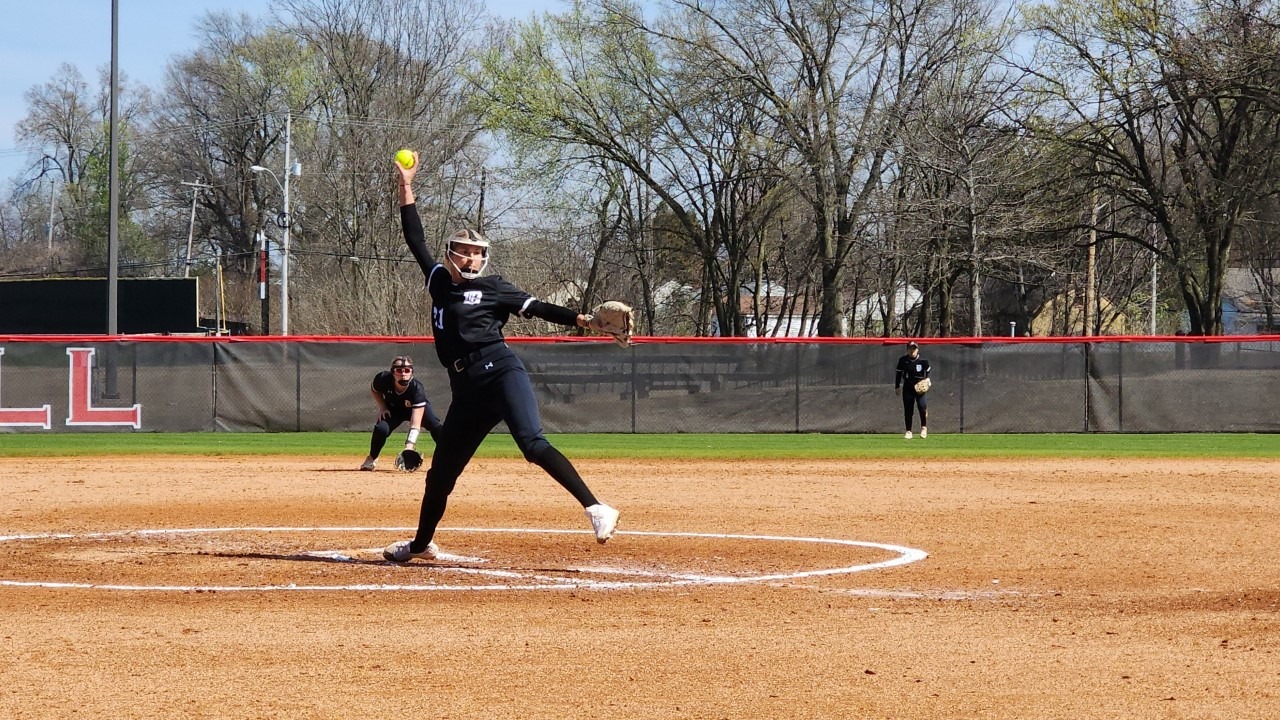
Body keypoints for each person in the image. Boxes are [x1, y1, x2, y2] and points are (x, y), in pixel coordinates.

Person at [382, 150, 620, 562]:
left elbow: (538, 307)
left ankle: (596, 507)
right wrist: (406, 185)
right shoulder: (439, 282)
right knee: (440, 476)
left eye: (477, 252)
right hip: (466, 390)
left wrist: (582, 319)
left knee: (531, 442)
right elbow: (415, 239)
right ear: (451, 254)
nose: (471, 257)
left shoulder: (493, 287)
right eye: (464, 251)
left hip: (500, 371)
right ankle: (420, 545)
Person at [359, 355, 443, 471]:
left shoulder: (417, 388)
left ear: (412, 372)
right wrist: (382, 407)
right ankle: (372, 458)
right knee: (381, 429)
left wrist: (409, 447)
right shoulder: (383, 379)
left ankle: (448, 457)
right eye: (399, 370)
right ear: (392, 372)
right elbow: (374, 390)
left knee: (435, 425)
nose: (403, 374)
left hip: (414, 409)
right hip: (393, 409)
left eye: (407, 370)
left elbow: (415, 424)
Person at [894, 341, 930, 439]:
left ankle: (924, 427)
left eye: (914, 348)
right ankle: (908, 431)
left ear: (917, 350)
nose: (912, 351)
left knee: (922, 407)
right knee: (908, 409)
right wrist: (897, 386)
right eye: (910, 348)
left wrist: (927, 379)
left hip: (920, 387)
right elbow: (898, 374)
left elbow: (928, 371)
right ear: (907, 350)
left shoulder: (923, 361)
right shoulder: (903, 360)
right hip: (908, 386)